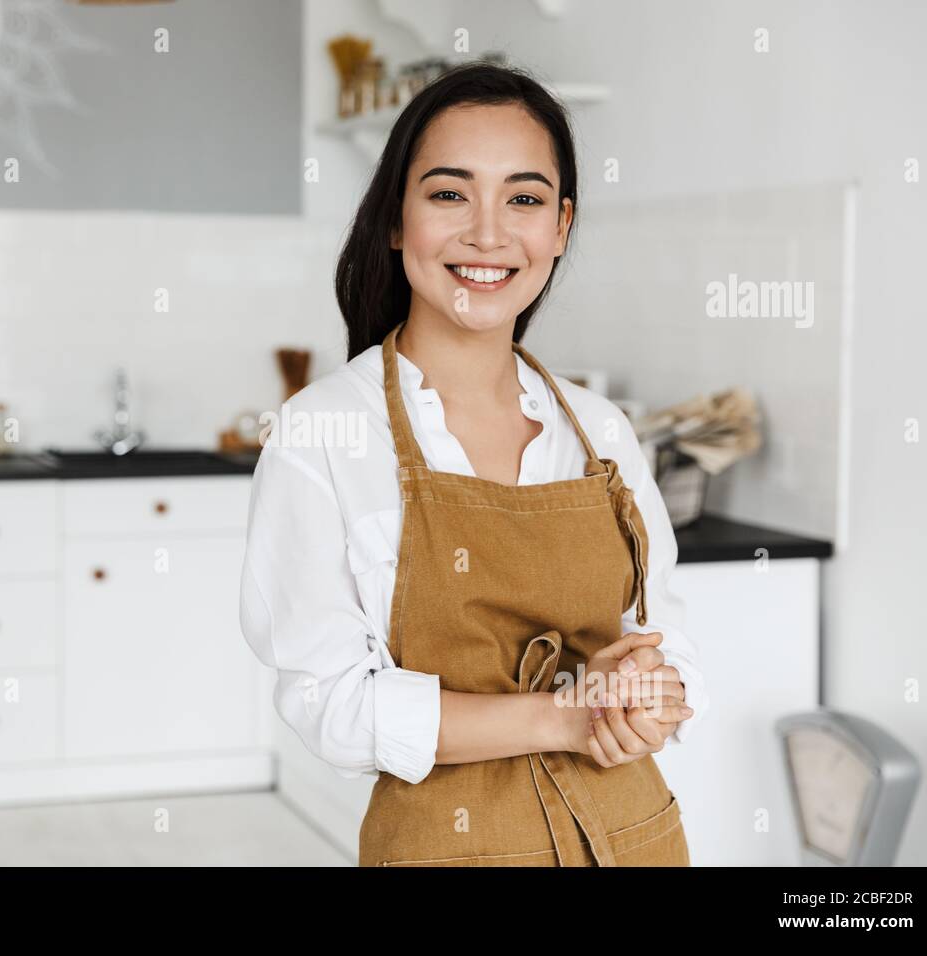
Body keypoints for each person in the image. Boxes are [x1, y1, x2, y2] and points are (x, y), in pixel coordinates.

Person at [239, 61, 707, 867]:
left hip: (635, 837)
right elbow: (333, 705)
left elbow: (666, 640)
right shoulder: (322, 433)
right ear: (394, 219)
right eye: (450, 193)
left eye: (523, 199)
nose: (489, 234)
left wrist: (650, 698)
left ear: (560, 227)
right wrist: (566, 716)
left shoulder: (600, 432)